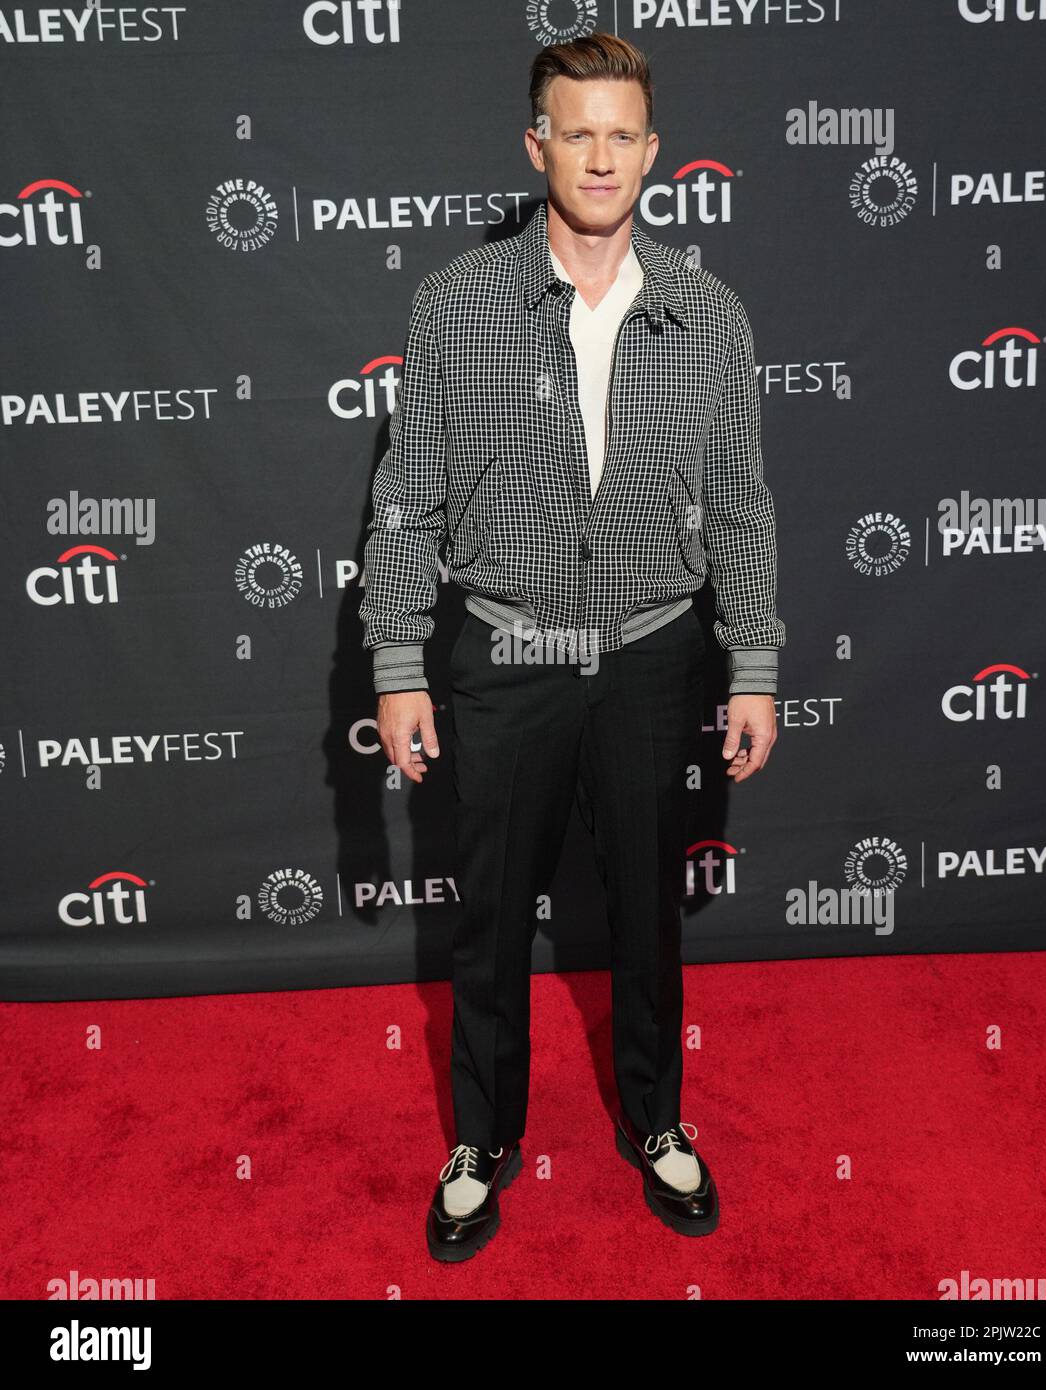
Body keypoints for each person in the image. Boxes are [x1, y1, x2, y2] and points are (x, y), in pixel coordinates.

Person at [359, 31, 785, 1262]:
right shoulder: (454, 303)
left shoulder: (709, 314)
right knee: (486, 920)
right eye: (574, 130)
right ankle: (480, 1144)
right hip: (501, 656)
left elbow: (745, 502)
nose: (598, 155)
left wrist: (749, 660)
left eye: (621, 133)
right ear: (535, 143)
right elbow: (406, 501)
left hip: (656, 658)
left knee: (649, 915)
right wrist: (396, 663)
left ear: (652, 152)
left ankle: (653, 1121)